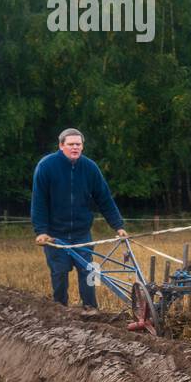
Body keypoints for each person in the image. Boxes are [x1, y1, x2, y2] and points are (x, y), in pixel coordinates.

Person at [30, 128, 128, 313]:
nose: (75, 147)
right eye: (70, 144)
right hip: (55, 234)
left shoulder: (90, 168)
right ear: (61, 146)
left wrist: (118, 226)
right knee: (59, 272)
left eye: (78, 144)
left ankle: (90, 307)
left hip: (82, 233)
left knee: (89, 271)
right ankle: (60, 309)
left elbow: (104, 198)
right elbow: (39, 201)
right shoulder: (46, 166)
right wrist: (41, 231)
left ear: (82, 146)